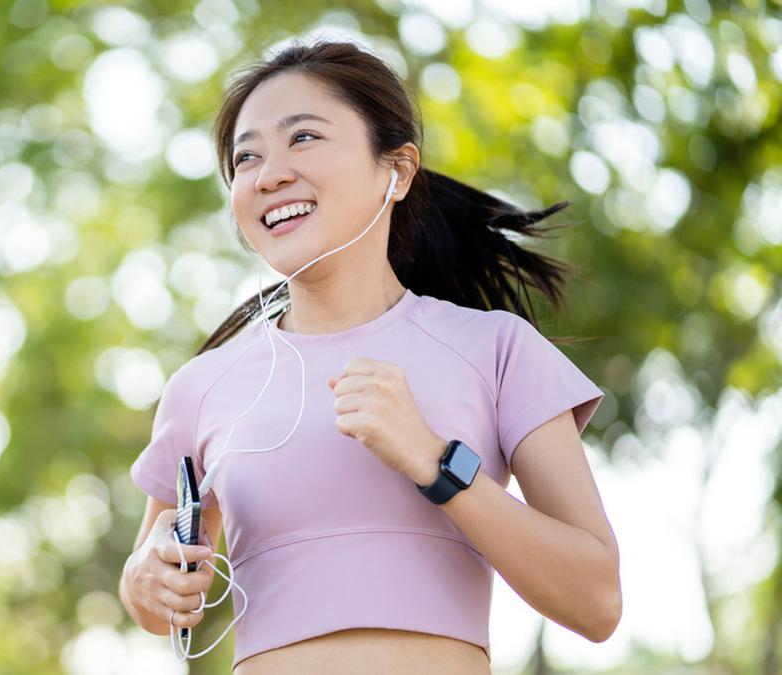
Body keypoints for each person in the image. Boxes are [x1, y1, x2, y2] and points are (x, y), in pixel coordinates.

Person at [118, 38, 621, 674]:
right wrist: (144, 579)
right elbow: (153, 595)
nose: (269, 174)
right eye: (247, 157)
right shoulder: (203, 385)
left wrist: (435, 462)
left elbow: (597, 602)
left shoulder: (497, 349)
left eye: (303, 137)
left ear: (398, 171)